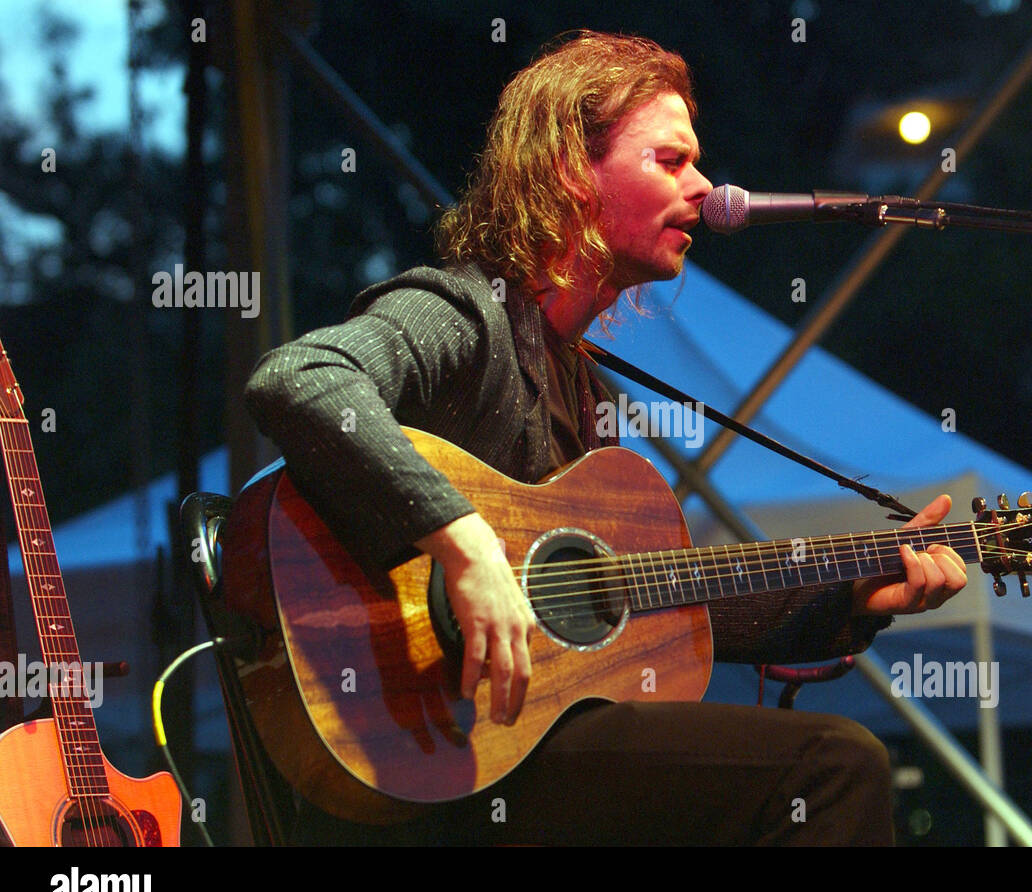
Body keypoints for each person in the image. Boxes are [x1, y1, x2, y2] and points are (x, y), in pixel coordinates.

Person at [244, 30, 967, 845]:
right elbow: (299, 378)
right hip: (433, 743)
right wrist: (462, 540)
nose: (704, 189)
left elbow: (652, 608)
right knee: (835, 764)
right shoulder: (461, 315)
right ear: (566, 166)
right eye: (669, 160)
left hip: (522, 752)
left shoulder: (575, 378)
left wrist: (854, 596)